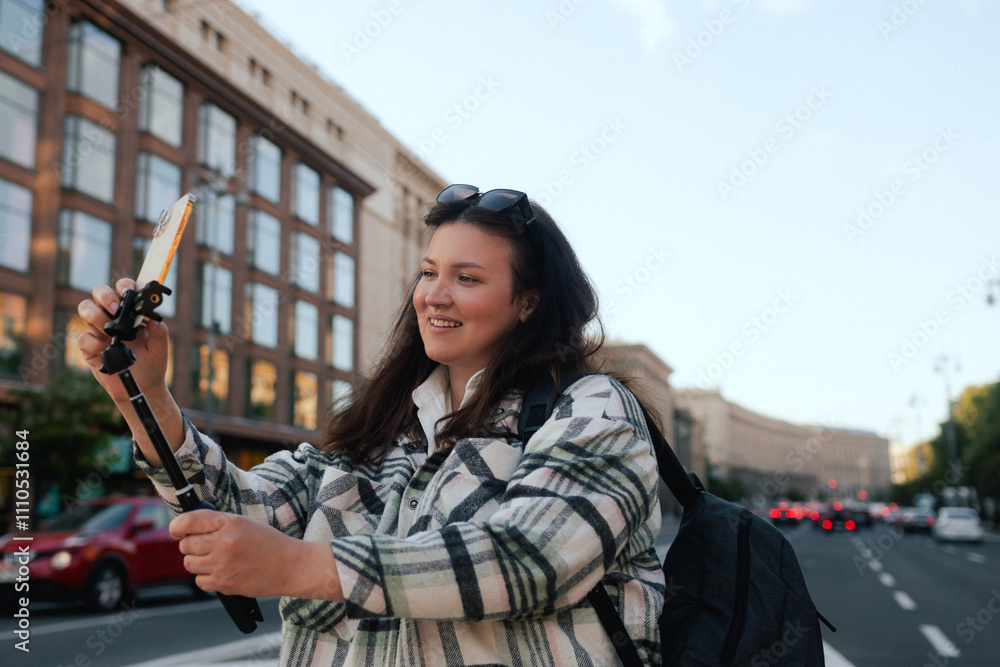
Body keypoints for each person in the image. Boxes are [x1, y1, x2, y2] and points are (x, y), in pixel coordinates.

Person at [77, 184, 664, 666]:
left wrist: (298, 566)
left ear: (528, 302)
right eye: (429, 272)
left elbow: (530, 559)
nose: (434, 295)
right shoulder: (381, 431)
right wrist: (143, 393)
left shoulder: (591, 411)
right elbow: (234, 509)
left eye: (467, 278)